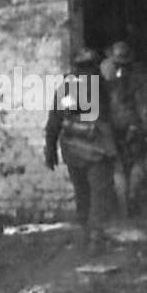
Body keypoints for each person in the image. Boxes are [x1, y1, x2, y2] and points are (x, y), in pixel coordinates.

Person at [45, 49, 119, 254]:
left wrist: (50, 150)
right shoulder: (101, 87)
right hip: (96, 152)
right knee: (99, 194)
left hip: (71, 150)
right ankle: (95, 240)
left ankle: (84, 234)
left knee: (82, 193)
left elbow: (53, 122)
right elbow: (113, 119)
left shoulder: (65, 87)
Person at [102, 40, 147, 217]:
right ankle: (132, 198)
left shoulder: (105, 78)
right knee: (137, 164)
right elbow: (144, 108)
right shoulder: (135, 80)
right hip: (133, 127)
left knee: (117, 168)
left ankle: (123, 207)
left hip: (111, 130)